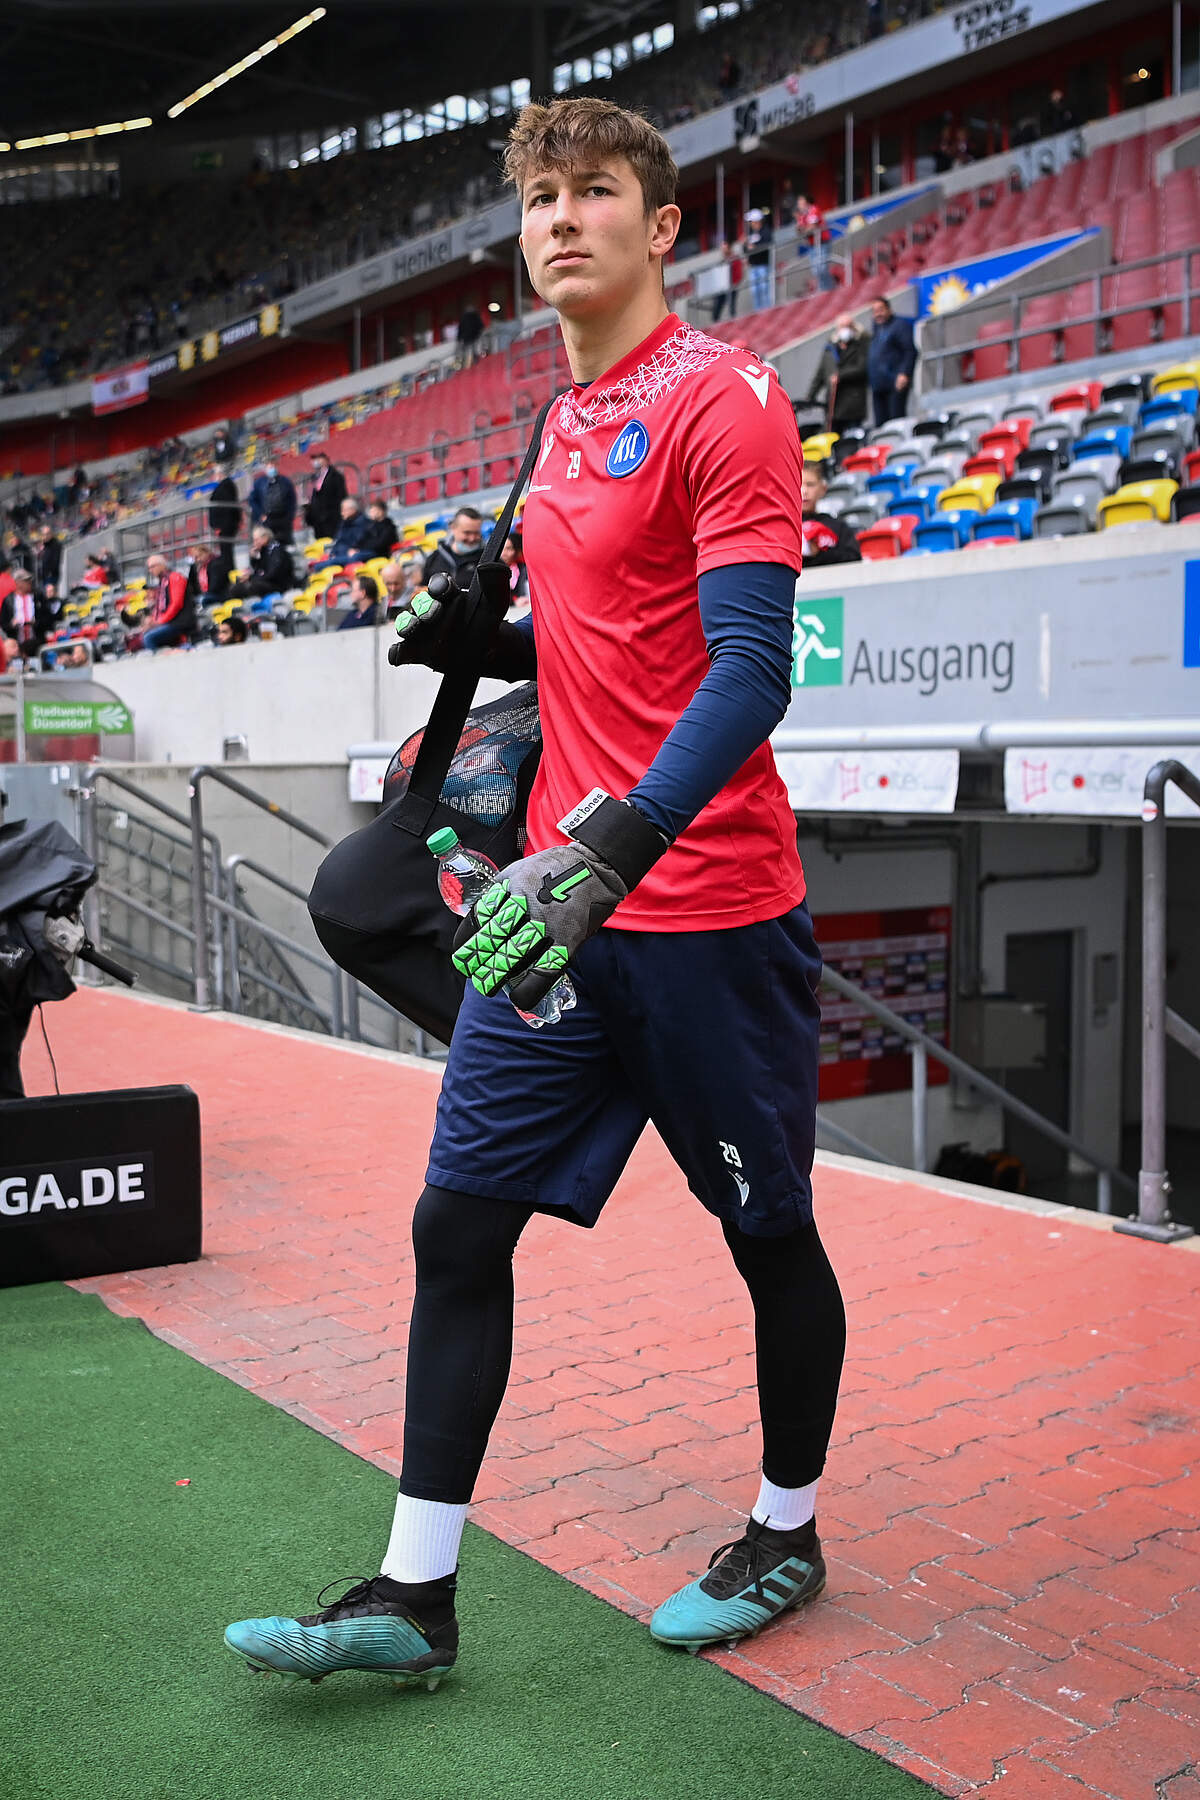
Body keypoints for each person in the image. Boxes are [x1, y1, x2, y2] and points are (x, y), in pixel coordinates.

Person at [225, 92, 844, 1695]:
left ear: (664, 223)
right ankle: (412, 1594)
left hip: (701, 909)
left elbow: (752, 670)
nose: (562, 218)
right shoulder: (559, 420)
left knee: (766, 1230)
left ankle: (787, 1527)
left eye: (596, 192)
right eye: (542, 196)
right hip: (560, 917)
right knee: (456, 1224)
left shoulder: (728, 400)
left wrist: (613, 847)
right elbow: (609, 641)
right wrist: (486, 646)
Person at [805, 314, 869, 431]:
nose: (846, 330)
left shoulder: (860, 346)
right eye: (843, 326)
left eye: (849, 326)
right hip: (833, 407)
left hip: (852, 406)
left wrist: (841, 375)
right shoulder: (830, 350)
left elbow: (861, 368)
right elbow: (819, 376)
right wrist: (809, 397)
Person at [800, 462, 862, 566]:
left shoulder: (838, 527)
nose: (804, 491)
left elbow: (854, 558)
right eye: (798, 485)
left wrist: (818, 553)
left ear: (823, 489)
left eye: (810, 485)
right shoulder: (783, 527)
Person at [868, 297, 917, 427]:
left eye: (881, 310)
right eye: (875, 311)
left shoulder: (900, 326)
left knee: (896, 422)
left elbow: (909, 351)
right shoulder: (877, 329)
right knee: (880, 425)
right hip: (878, 385)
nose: (878, 314)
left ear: (889, 309)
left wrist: (904, 373)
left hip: (895, 382)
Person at [142, 553, 196, 651]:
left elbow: (176, 604)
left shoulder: (175, 577)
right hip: (170, 622)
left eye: (152, 567)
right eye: (149, 568)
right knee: (141, 635)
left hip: (180, 623)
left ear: (162, 565)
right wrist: (153, 621)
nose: (150, 571)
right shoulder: (162, 582)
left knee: (149, 638)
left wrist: (160, 621)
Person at [227, 526, 295, 602]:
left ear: (265, 538)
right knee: (236, 586)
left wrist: (251, 578)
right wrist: (254, 558)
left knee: (250, 586)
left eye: (256, 540)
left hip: (279, 585)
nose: (254, 543)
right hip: (267, 582)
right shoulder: (264, 551)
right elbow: (259, 570)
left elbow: (272, 574)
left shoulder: (276, 550)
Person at [421, 507, 485, 588]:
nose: (472, 538)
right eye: (467, 533)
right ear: (453, 528)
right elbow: (423, 590)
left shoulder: (489, 559)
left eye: (476, 533)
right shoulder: (434, 559)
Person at [208, 466, 241, 601]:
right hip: (225, 526)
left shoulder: (226, 486)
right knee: (226, 553)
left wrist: (221, 526)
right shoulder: (226, 486)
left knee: (227, 553)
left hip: (225, 527)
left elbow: (226, 508)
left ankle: (230, 576)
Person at [0, 570, 50, 654]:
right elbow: (3, 623)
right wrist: (12, 625)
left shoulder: (38, 597)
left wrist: (36, 622)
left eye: (30, 580)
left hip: (37, 641)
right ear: (17, 583)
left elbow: (48, 617)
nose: (29, 583)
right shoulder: (8, 600)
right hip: (17, 644)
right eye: (26, 581)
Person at [302, 449, 347, 541]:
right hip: (318, 520)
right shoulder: (315, 477)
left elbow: (341, 496)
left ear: (326, 460)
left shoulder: (335, 476)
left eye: (318, 459)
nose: (316, 462)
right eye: (315, 459)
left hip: (331, 518)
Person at [249, 461, 297, 545]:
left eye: (273, 466)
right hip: (267, 518)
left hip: (283, 518)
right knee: (268, 543)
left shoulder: (285, 481)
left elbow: (292, 500)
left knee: (285, 543)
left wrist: (290, 516)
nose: (271, 469)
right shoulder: (259, 483)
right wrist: (261, 515)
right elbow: (252, 500)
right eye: (269, 467)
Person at [325, 497, 371, 567]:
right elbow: (338, 541)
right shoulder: (344, 524)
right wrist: (333, 553)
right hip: (339, 556)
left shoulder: (363, 524)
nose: (342, 513)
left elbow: (357, 543)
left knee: (319, 566)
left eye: (344, 510)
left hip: (350, 557)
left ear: (353, 510)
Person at [744, 207, 773, 311]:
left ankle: (767, 310)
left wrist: (755, 247)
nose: (751, 223)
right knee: (755, 291)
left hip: (763, 265)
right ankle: (758, 311)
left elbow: (768, 245)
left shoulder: (765, 231)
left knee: (764, 288)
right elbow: (745, 248)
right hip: (753, 266)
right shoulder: (751, 234)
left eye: (752, 221)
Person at [711, 239, 744, 323]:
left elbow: (739, 273)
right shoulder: (722, 261)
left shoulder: (735, 259)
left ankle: (733, 322)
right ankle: (716, 323)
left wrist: (734, 283)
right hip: (722, 288)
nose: (723, 250)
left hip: (732, 286)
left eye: (725, 248)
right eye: (722, 249)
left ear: (729, 248)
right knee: (717, 307)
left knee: (731, 306)